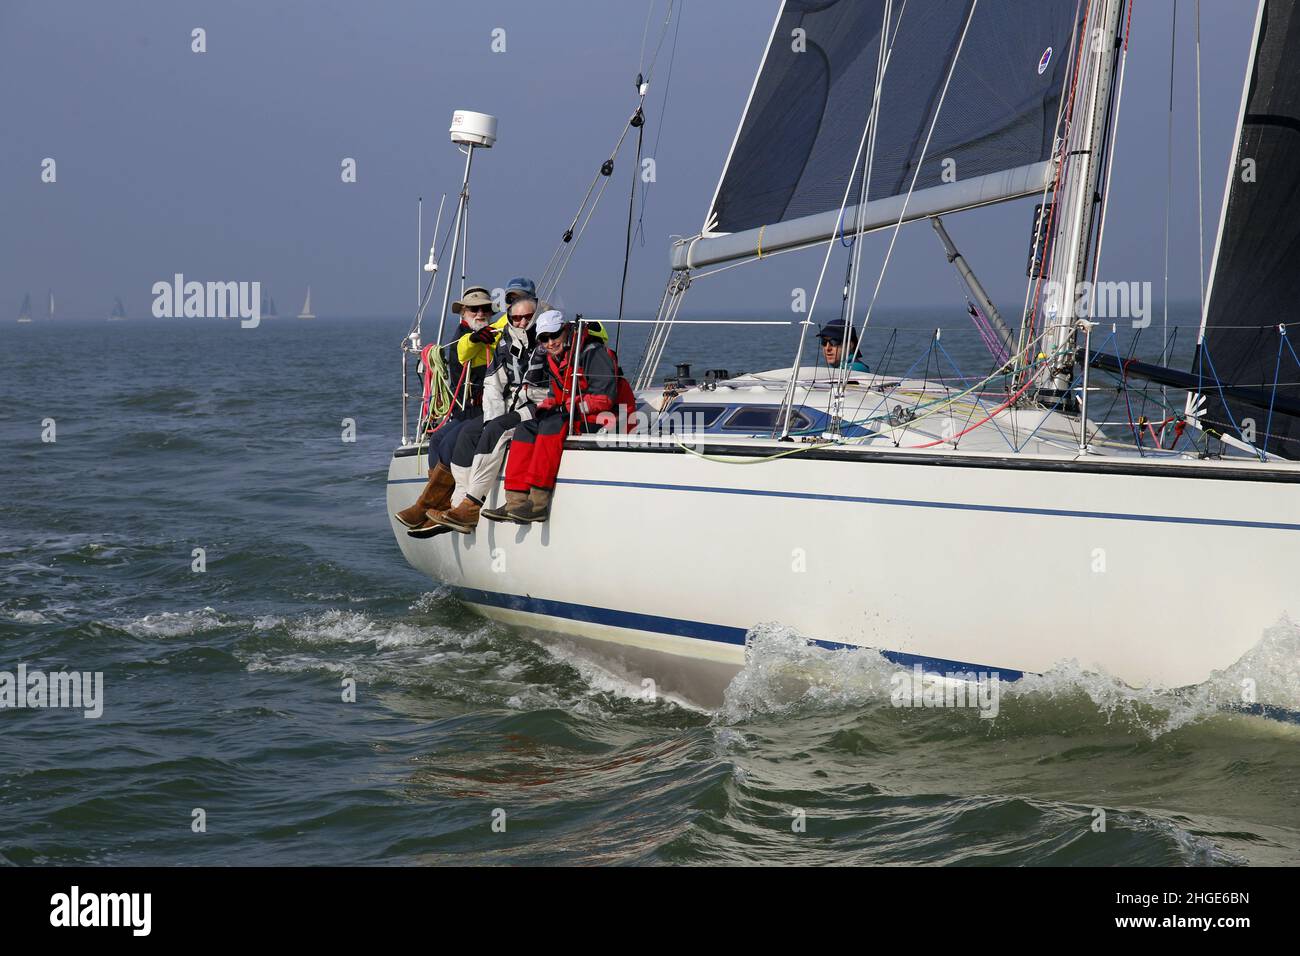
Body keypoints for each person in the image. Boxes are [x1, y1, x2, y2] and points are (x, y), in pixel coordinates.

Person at [423, 294, 549, 534]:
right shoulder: (503, 341)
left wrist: (496, 422)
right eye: (517, 317)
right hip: (504, 406)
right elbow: (493, 383)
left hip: (538, 406)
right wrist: (494, 416)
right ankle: (454, 505)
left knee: (490, 431)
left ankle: (471, 505)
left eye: (527, 317)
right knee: (466, 434)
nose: (522, 322)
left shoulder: (547, 338)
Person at [484, 310, 621, 524]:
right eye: (544, 339)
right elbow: (555, 393)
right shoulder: (555, 357)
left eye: (554, 335)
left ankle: (538, 503)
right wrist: (546, 405)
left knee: (551, 426)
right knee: (526, 426)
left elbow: (605, 398)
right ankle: (515, 500)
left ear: (565, 330)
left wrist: (569, 405)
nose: (550, 342)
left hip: (598, 416)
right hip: (571, 410)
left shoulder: (593, 352)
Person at [394, 283, 503, 531]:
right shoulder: (464, 335)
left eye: (485, 309)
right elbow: (462, 350)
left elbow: (506, 324)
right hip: (471, 408)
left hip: (488, 409)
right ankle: (436, 507)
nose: (480, 313)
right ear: (463, 313)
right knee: (437, 439)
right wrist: (476, 337)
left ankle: (435, 506)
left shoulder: (495, 334)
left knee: (450, 441)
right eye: (473, 309)